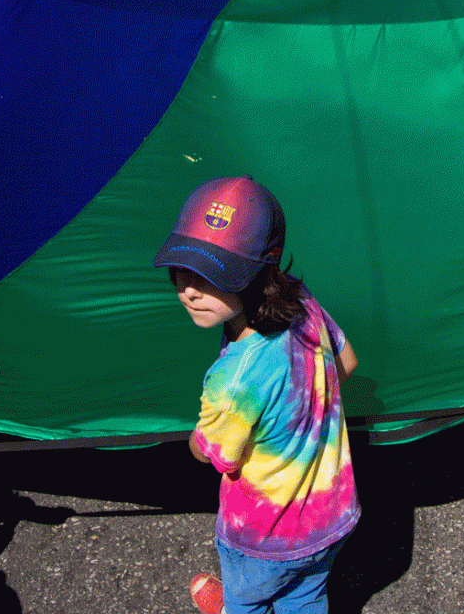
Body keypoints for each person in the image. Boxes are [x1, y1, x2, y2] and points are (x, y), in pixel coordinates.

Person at [156, 177, 359, 614]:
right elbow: (347, 363)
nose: (189, 289)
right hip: (332, 513)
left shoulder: (233, 380)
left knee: (249, 601)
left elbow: (217, 455)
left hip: (265, 537)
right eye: (183, 268)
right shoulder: (300, 301)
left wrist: (197, 440)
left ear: (257, 273)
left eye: (214, 275)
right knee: (306, 596)